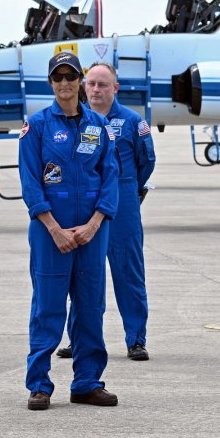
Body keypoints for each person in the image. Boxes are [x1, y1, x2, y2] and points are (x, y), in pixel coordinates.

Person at [19, 52, 119, 410]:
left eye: (71, 77)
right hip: (50, 233)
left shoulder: (98, 126)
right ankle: (40, 384)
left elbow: (110, 179)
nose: (65, 84)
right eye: (58, 78)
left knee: (91, 307)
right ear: (51, 83)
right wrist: (54, 228)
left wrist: (94, 225)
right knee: (48, 308)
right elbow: (30, 183)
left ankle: (87, 382)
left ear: (79, 82)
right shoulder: (38, 126)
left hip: (91, 233)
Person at [55, 62, 156, 361]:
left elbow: (146, 162)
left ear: (116, 88)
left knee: (129, 271)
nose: (96, 90)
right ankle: (80, 340)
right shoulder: (76, 120)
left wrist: (126, 192)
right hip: (85, 199)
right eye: (92, 84)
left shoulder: (132, 122)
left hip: (123, 198)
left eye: (103, 84)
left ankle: (136, 339)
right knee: (85, 275)